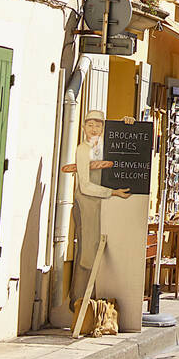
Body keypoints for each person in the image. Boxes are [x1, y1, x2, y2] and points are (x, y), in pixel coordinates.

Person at [66, 110, 131, 306]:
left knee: (99, 252)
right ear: (83, 127)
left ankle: (92, 301)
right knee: (87, 253)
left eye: (98, 125)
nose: (94, 129)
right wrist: (113, 192)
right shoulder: (83, 150)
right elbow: (84, 185)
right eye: (90, 125)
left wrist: (126, 125)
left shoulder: (102, 148)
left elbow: (120, 147)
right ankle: (79, 302)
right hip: (87, 203)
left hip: (102, 204)